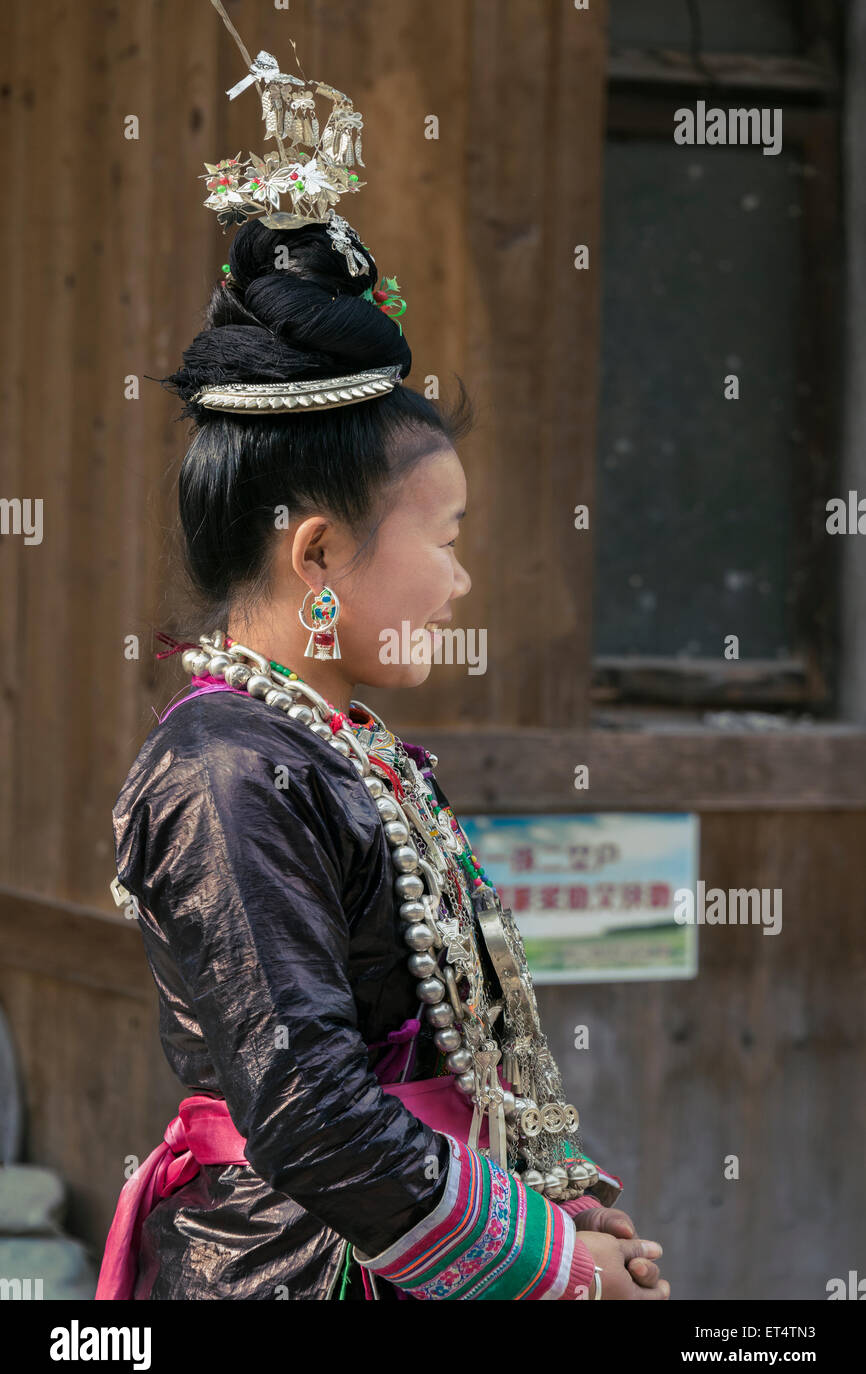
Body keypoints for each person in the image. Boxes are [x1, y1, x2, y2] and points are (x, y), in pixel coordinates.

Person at [95, 7, 670, 1302]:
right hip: (297, 1268)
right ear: (315, 555)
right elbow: (305, 1103)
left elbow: (468, 1047)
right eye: (444, 535)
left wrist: (574, 1206)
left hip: (413, 1239)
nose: (461, 576)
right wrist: (557, 1270)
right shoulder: (225, 771)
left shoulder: (348, 747)